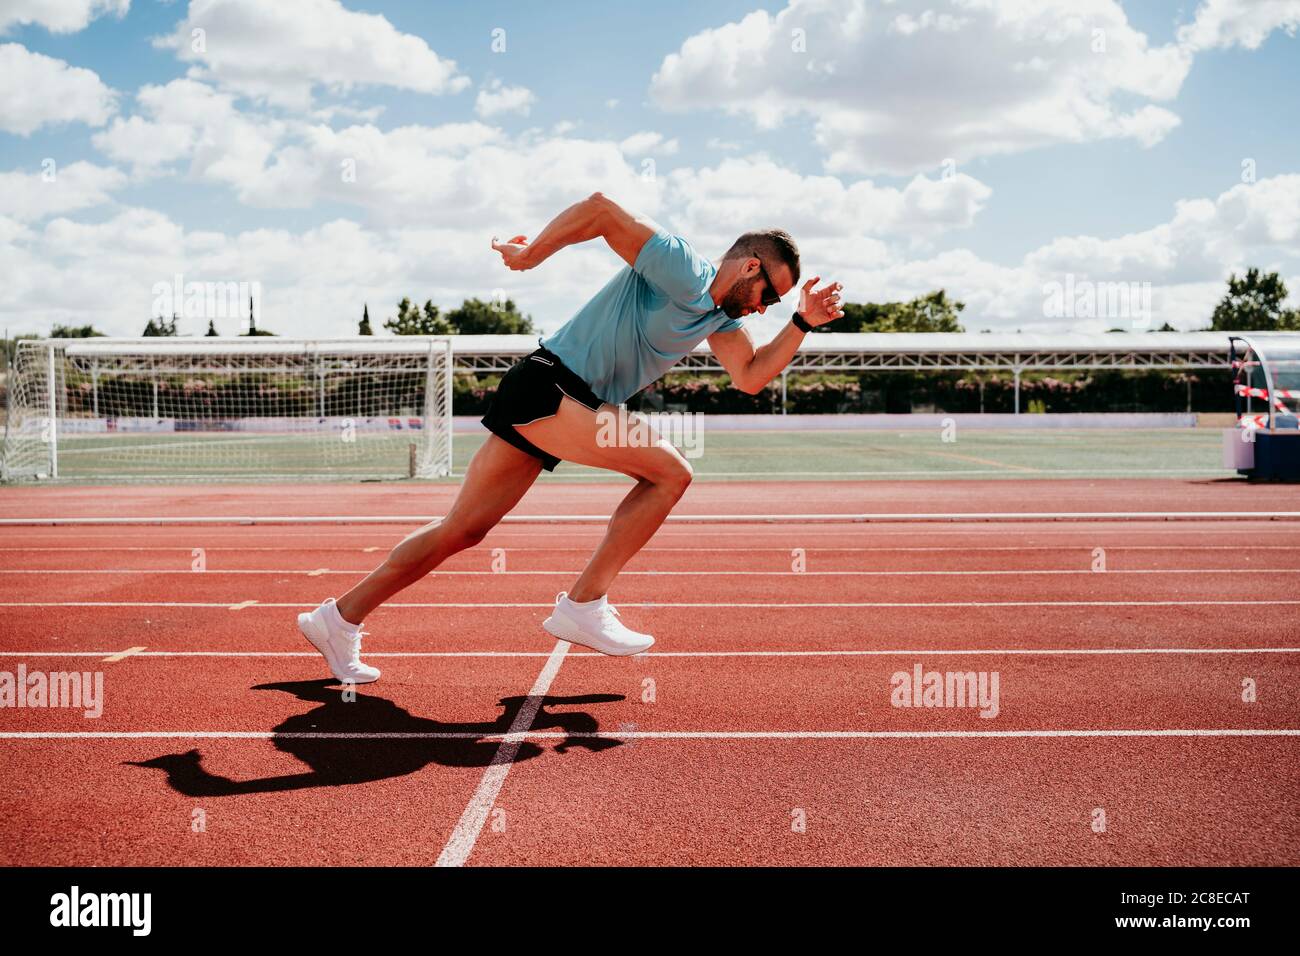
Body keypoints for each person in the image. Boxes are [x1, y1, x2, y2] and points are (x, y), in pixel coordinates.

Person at [297, 192, 844, 682]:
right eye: (770, 296)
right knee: (671, 473)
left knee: (461, 531)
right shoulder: (681, 265)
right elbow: (603, 209)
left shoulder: (718, 321)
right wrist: (531, 254)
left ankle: (337, 618)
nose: (764, 309)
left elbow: (749, 377)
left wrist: (801, 324)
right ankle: (584, 604)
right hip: (552, 384)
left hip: (556, 399)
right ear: (751, 266)